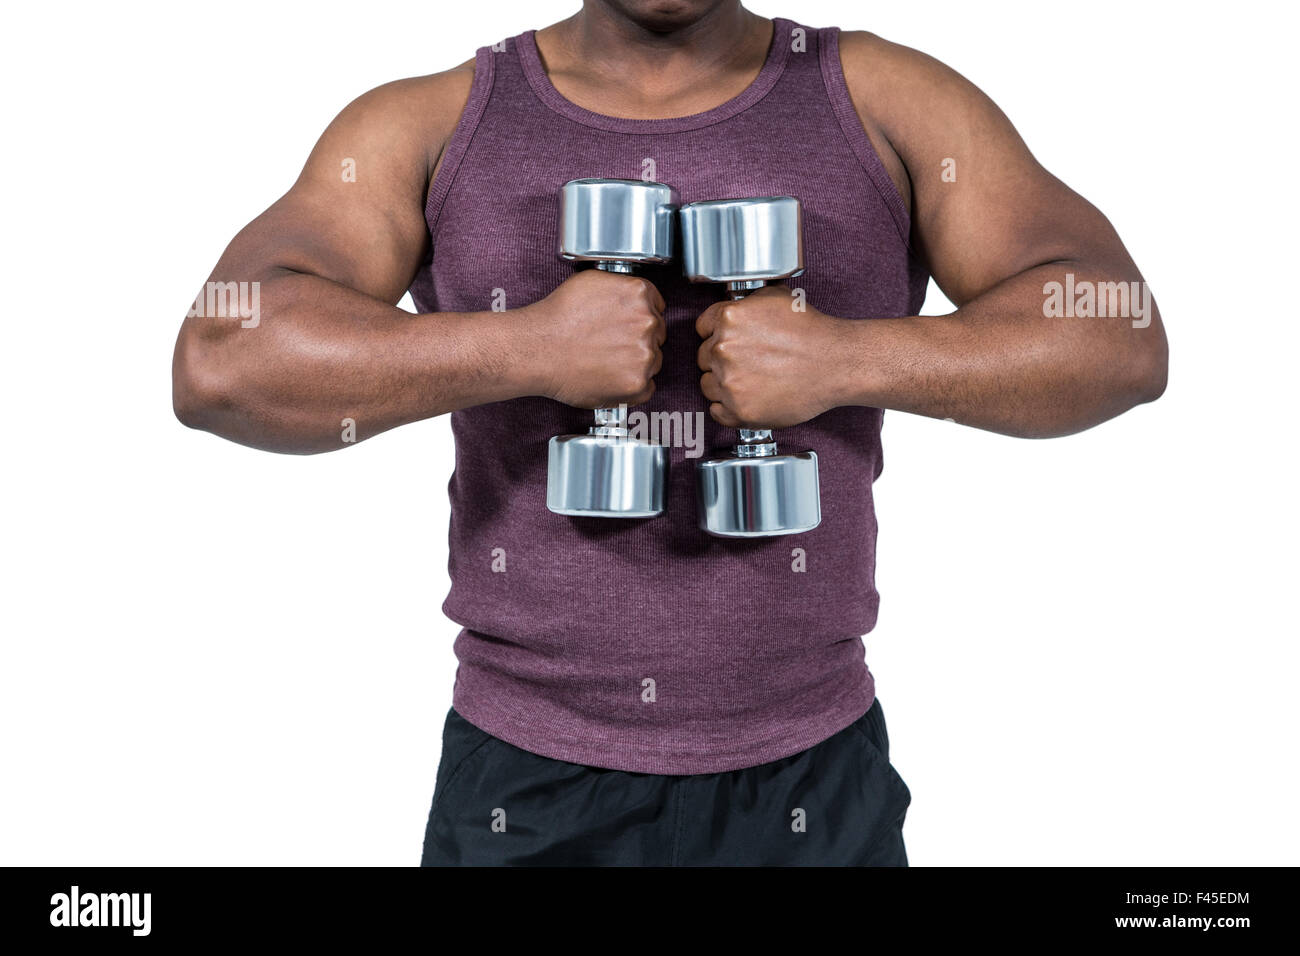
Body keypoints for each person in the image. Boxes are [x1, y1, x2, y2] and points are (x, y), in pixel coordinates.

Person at [172, 1, 1167, 865]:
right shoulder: (429, 121)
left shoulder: (885, 99)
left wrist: (843, 361)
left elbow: (1117, 332)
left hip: (811, 774)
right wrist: (524, 348)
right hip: (523, 784)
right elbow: (223, 358)